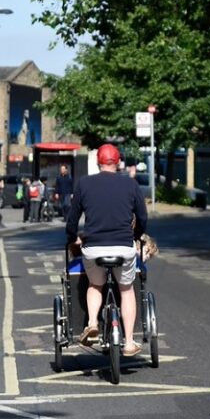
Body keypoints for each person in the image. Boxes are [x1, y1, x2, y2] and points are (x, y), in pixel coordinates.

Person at [66, 143, 148, 356]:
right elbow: (143, 217)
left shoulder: (84, 184)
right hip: (123, 246)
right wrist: (137, 235)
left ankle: (92, 323)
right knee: (126, 289)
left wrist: (72, 237)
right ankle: (129, 342)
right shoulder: (131, 185)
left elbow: (72, 220)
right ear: (118, 162)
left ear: (98, 162)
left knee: (95, 284)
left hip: (93, 247)